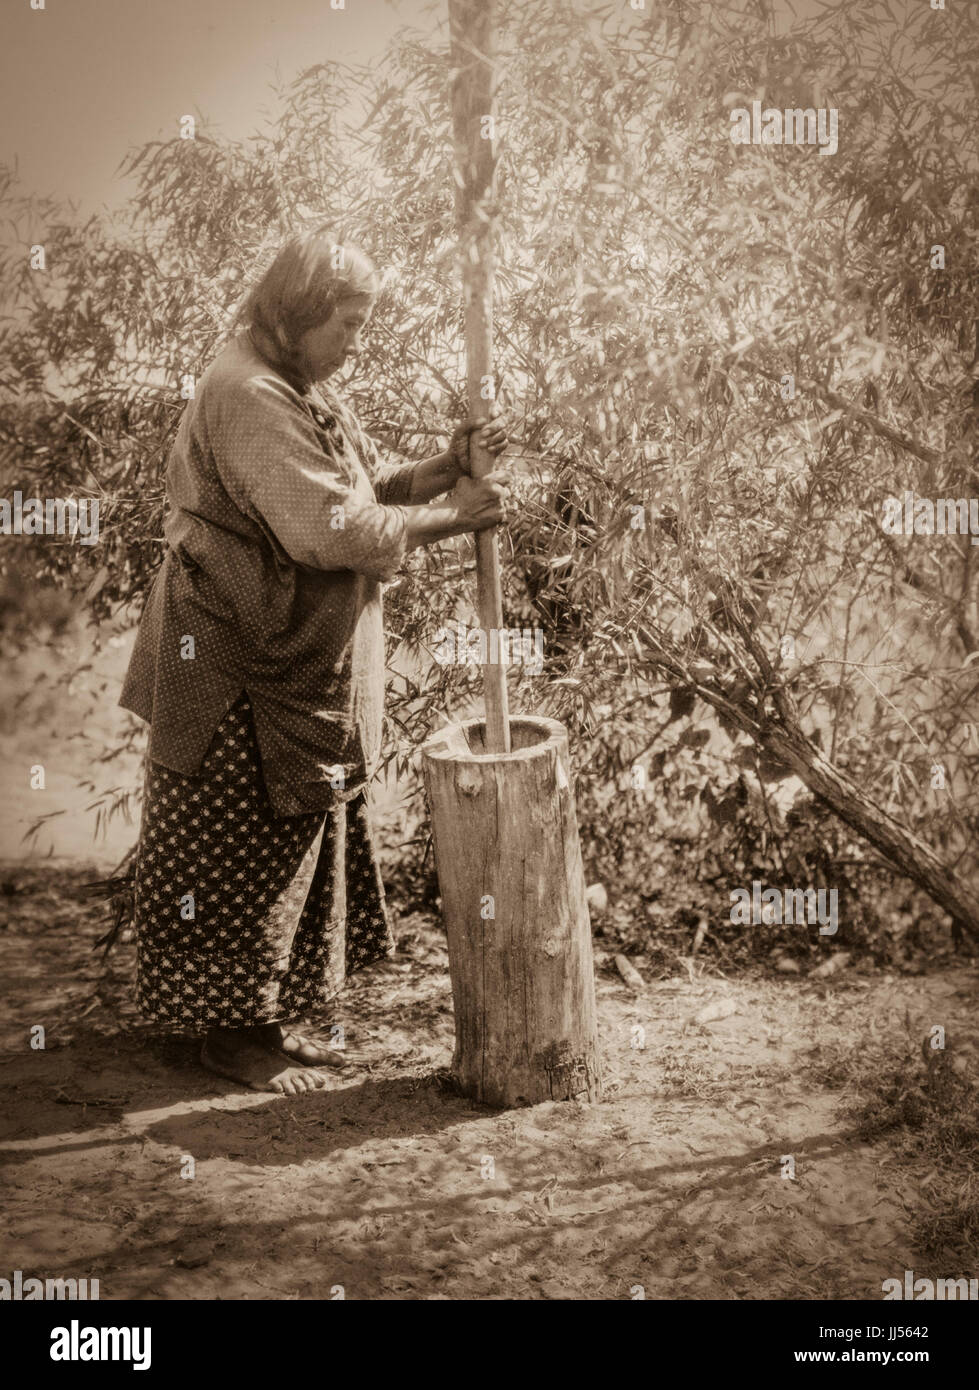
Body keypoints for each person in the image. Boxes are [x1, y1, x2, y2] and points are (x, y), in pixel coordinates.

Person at [118, 226, 510, 1095]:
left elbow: (360, 492)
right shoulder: (249, 392)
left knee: (285, 839)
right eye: (348, 323)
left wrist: (444, 470)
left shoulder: (292, 383)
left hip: (279, 661)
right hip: (234, 664)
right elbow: (329, 528)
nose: (355, 343)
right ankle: (229, 1036)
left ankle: (262, 1020)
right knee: (237, 844)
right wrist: (460, 515)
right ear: (296, 314)